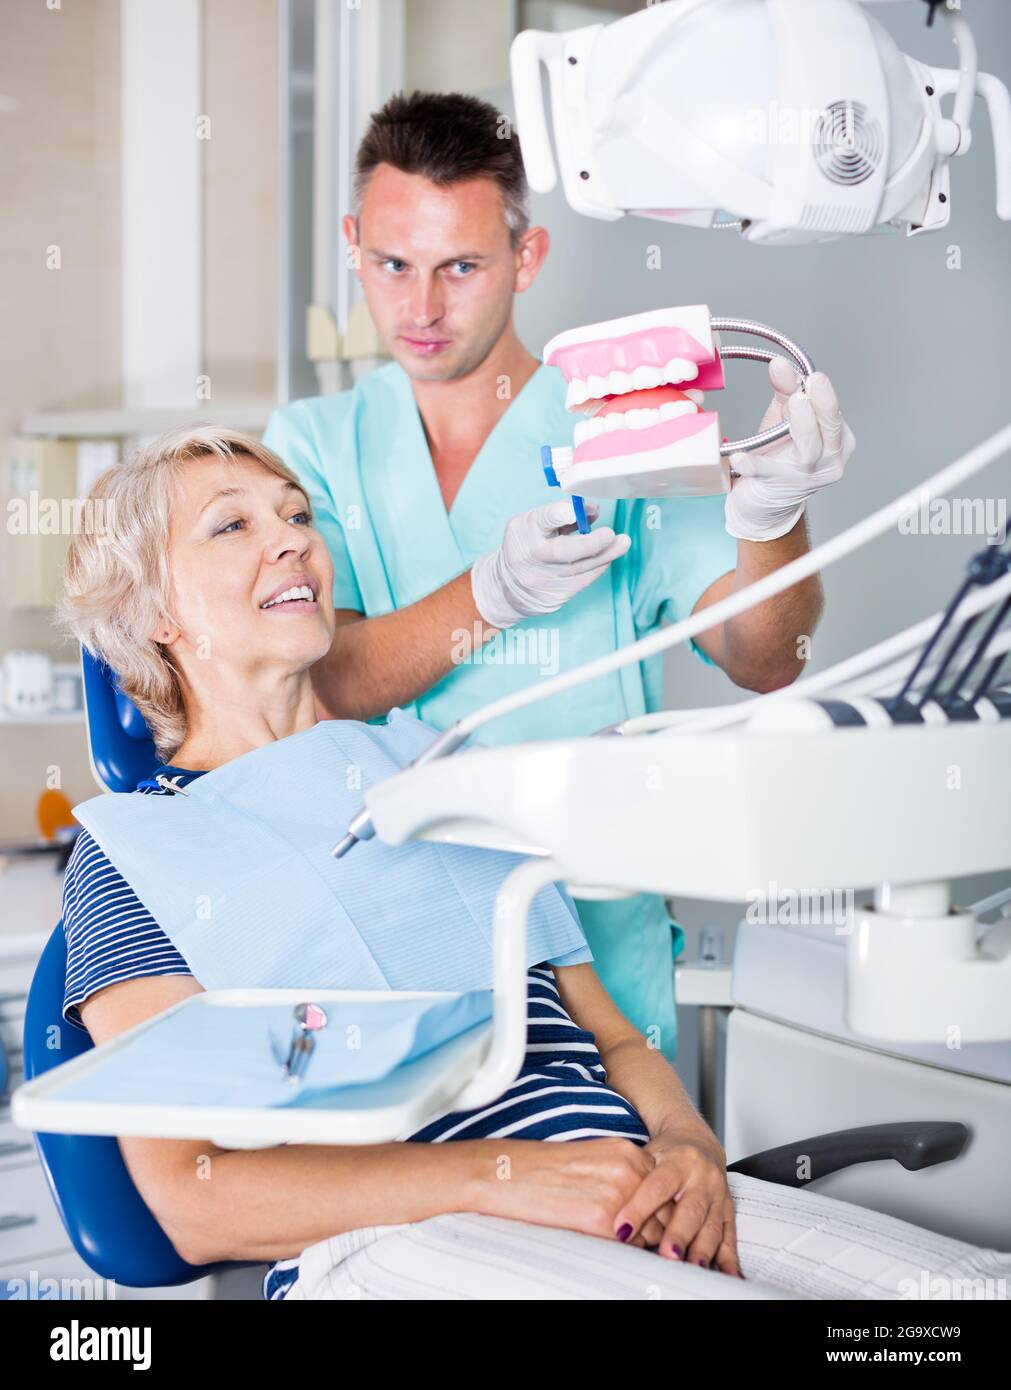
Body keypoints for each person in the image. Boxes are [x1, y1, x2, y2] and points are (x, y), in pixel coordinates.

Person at [58, 428, 1008, 1303]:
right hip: (387, 1238)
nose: (292, 539)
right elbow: (195, 1199)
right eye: (232, 525)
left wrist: (687, 1149)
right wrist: (510, 1179)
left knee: (961, 1292)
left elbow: (616, 1044)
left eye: (298, 514)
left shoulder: (448, 771)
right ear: (155, 614)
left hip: (627, 1181)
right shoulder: (136, 850)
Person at [262, 90, 855, 1062]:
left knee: (639, 1195)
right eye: (391, 264)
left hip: (600, 944)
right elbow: (324, 684)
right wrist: (493, 595)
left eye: (460, 265)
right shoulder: (312, 445)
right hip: (392, 941)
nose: (420, 306)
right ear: (352, 241)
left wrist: (775, 521)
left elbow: (767, 656)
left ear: (527, 259)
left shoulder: (616, 429)